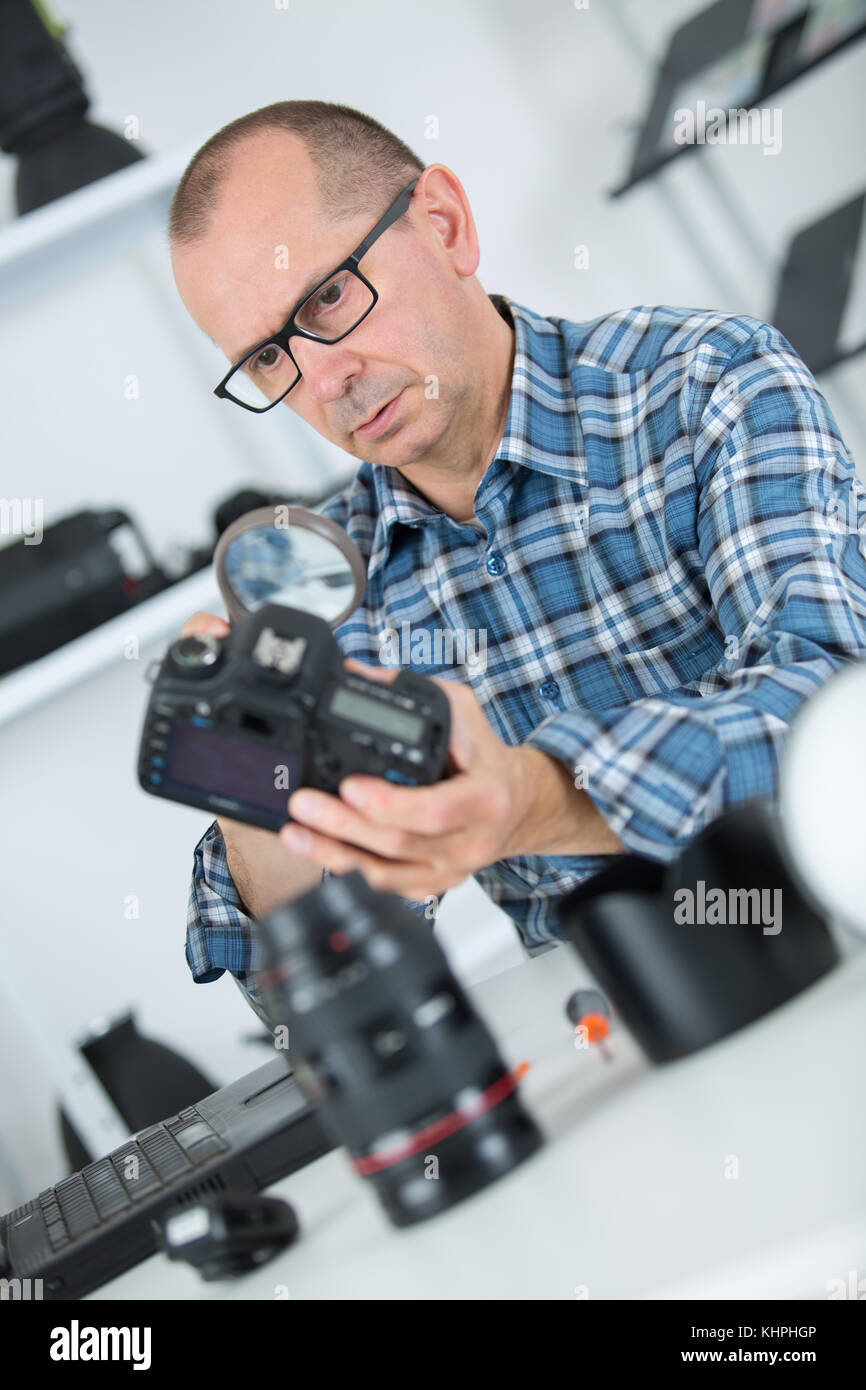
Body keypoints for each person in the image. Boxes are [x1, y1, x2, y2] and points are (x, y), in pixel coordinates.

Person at [169, 99, 866, 1023]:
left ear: (444, 224)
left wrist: (534, 797)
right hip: (629, 1038)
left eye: (327, 298)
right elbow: (320, 996)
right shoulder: (335, 593)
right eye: (268, 357)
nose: (325, 379)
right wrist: (251, 781)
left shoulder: (708, 384)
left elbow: (832, 710)